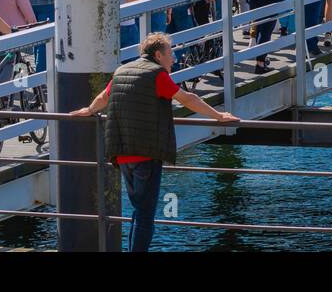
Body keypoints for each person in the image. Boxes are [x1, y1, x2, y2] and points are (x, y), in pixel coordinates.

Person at [71, 32, 238, 252]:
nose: (174, 59)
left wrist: (90, 110)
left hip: (121, 154)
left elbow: (104, 96)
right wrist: (218, 116)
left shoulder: (122, 71)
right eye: (171, 54)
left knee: (139, 209)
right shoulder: (157, 75)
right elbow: (187, 98)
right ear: (158, 55)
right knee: (145, 214)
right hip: (145, 153)